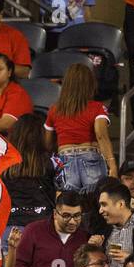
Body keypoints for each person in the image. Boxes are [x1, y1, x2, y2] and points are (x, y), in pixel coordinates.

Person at [45, 62, 115, 192]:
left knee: (67, 206)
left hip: (64, 160)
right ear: (90, 84)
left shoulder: (54, 110)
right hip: (90, 157)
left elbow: (47, 144)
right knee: (93, 205)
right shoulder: (97, 107)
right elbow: (101, 135)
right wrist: (113, 166)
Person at [14, 191, 87, 267]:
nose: (72, 221)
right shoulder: (34, 231)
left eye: (77, 215)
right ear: (55, 214)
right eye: (66, 216)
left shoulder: (84, 237)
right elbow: (17, 265)